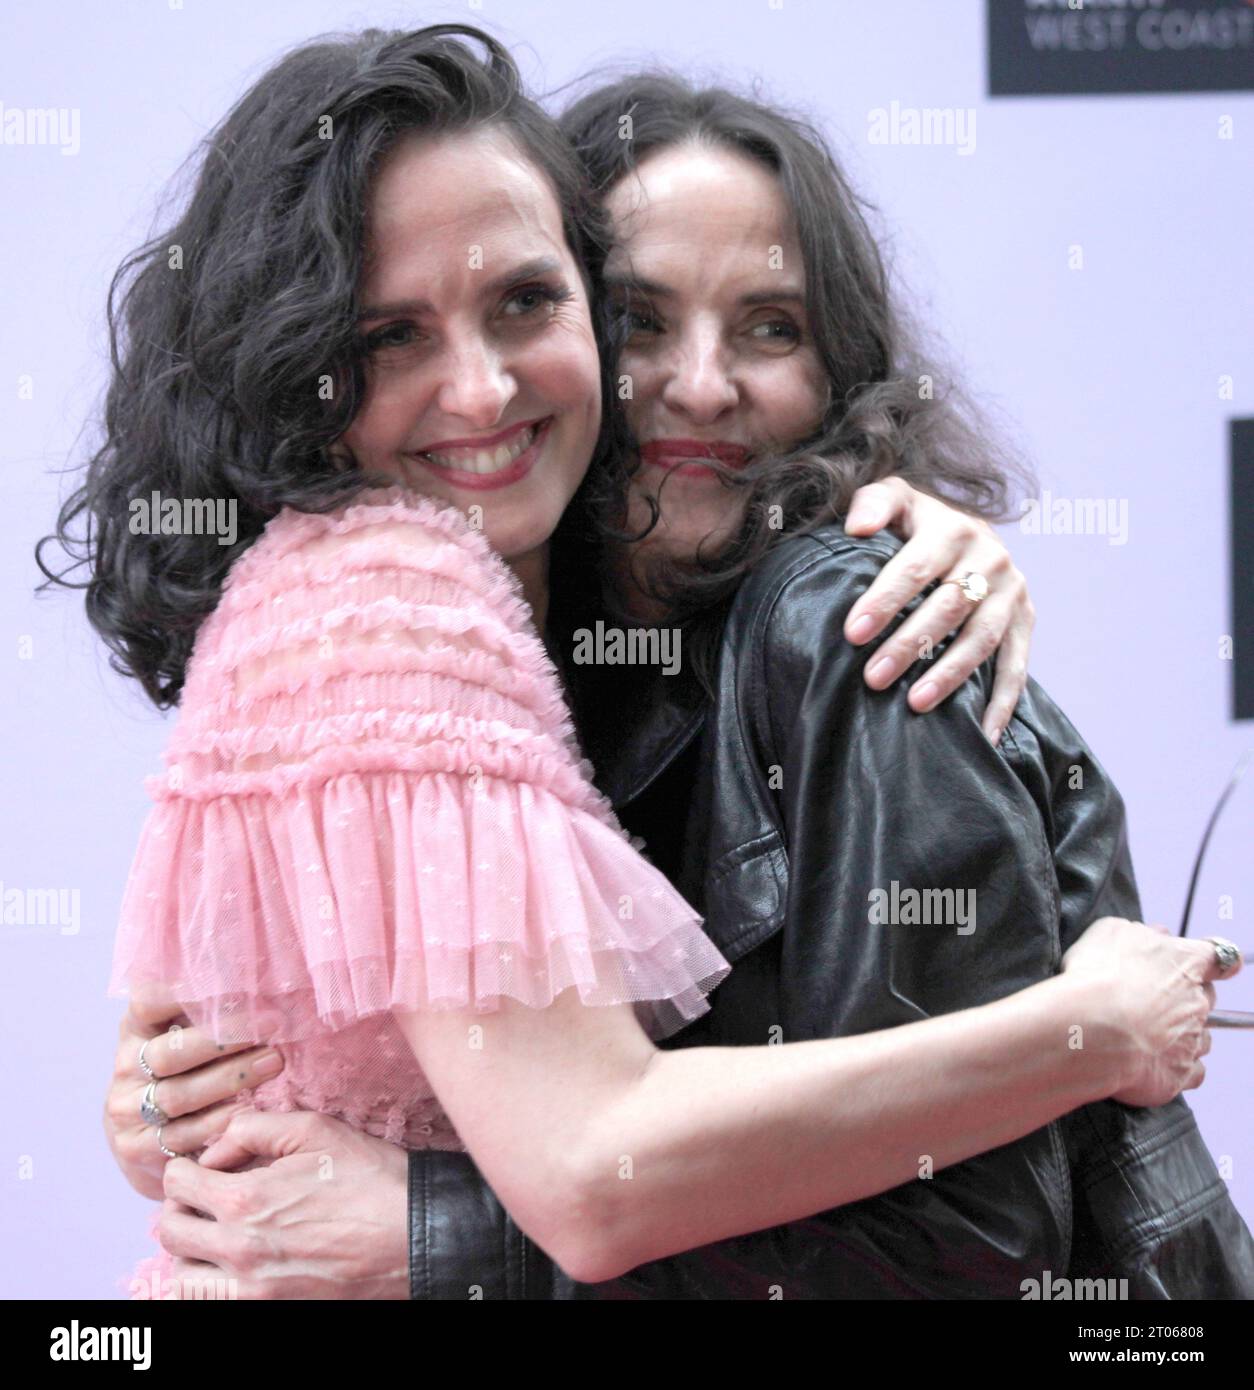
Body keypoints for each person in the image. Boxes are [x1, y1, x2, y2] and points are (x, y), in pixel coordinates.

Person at [75, 27, 1233, 1298]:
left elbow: (971, 1244)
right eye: (639, 318)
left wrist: (434, 1232)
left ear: (843, 370)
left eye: (771, 326)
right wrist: (174, 1094)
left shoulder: (859, 627)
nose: (699, 386)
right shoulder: (440, 611)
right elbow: (566, 1141)